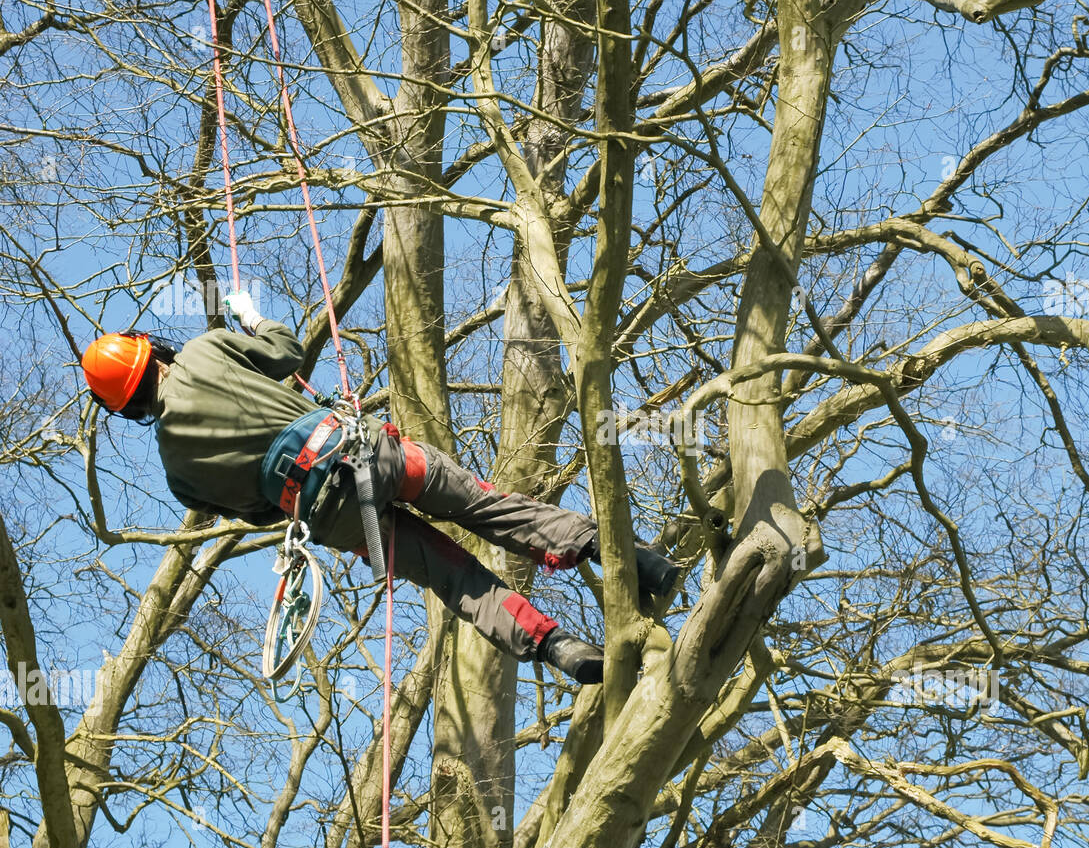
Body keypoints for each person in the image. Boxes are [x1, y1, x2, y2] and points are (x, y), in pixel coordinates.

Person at [79, 291, 679, 684]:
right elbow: (286, 352)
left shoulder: (178, 472)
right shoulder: (206, 351)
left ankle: (556, 647)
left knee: (456, 580)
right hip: (369, 453)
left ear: (126, 407)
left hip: (336, 517)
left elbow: (259, 512)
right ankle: (632, 558)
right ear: (148, 349)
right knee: (483, 505)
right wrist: (253, 317)